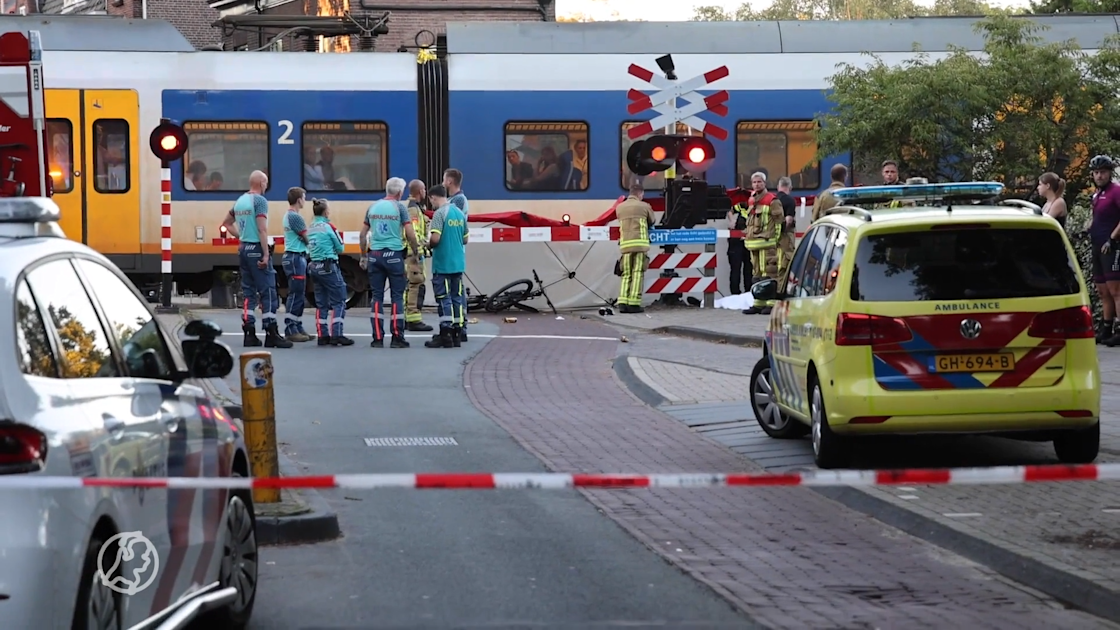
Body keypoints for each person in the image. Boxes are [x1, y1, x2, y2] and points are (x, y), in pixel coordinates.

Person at [220, 170, 292, 348]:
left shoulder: (240, 201)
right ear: (261, 183)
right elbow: (262, 229)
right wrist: (266, 253)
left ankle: (249, 333)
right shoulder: (260, 201)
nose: (266, 186)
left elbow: (226, 224)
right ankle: (271, 333)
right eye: (266, 183)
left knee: (249, 293)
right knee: (268, 291)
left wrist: (241, 237)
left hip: (244, 249)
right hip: (256, 249)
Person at [360, 176, 420, 348]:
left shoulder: (372, 207)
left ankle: (377, 338)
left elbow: (363, 235)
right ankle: (397, 338)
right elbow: (410, 233)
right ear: (400, 192)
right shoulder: (400, 207)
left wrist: (364, 256)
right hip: (394, 256)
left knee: (376, 297)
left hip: (375, 256)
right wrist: (415, 252)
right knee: (396, 298)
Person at [424, 185, 469, 348]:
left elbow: (435, 239)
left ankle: (446, 333)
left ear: (433, 197)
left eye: (431, 200)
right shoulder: (459, 213)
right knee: (457, 297)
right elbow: (465, 239)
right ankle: (458, 332)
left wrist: (427, 245)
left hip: (442, 263)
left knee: (444, 299)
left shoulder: (439, 214)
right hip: (458, 263)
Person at [306, 199, 352, 346]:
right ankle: (337, 334)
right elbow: (340, 248)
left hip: (314, 266)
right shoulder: (328, 227)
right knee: (339, 300)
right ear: (326, 212)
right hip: (328, 266)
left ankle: (322, 335)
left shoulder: (310, 228)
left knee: (321, 303)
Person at [1086, 156, 1120, 345]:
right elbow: (1097, 218)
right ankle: (1106, 327)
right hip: (1097, 245)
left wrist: (1112, 238)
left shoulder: (1116, 192)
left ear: (1109, 173)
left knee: (1116, 290)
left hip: (1112, 246)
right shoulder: (1097, 194)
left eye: (1103, 172)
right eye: (1096, 173)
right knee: (1102, 290)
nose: (1099, 176)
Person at [742, 172, 786, 315]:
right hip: (753, 244)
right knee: (756, 274)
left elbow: (779, 222)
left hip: (767, 244)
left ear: (765, 183)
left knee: (769, 273)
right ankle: (758, 303)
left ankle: (771, 303)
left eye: (759, 182)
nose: (756, 184)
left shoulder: (772, 200)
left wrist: (776, 240)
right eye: (754, 182)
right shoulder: (751, 200)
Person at [615, 179, 656, 313]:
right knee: (637, 273)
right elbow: (652, 221)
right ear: (640, 194)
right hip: (640, 244)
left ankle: (622, 301)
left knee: (626, 274)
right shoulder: (644, 206)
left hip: (625, 245)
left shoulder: (620, 207)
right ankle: (633, 303)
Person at [281, 187, 312, 342]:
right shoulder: (295, 217)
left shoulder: (289, 215)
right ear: (299, 199)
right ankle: (291, 328)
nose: (305, 200)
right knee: (296, 294)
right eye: (304, 197)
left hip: (293, 257)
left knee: (299, 293)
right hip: (295, 258)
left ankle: (297, 326)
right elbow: (306, 238)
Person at [443, 168, 470, 341]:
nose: (443, 182)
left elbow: (450, 221)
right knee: (455, 290)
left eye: (444, 179)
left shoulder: (458, 200)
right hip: (454, 250)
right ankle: (459, 326)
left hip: (455, 251)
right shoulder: (455, 199)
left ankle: (462, 327)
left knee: (456, 291)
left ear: (450, 181)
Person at [404, 179, 433, 332]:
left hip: (413, 254)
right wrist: (419, 250)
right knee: (415, 284)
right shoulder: (413, 210)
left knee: (413, 285)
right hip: (413, 256)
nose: (425, 192)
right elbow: (413, 232)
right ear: (420, 191)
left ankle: (409, 317)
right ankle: (413, 319)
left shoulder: (415, 208)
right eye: (424, 190)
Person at [774, 176, 797, 272]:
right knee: (785, 263)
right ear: (790, 188)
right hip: (785, 237)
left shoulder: (772, 199)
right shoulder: (790, 201)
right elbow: (789, 221)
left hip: (771, 237)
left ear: (778, 187)